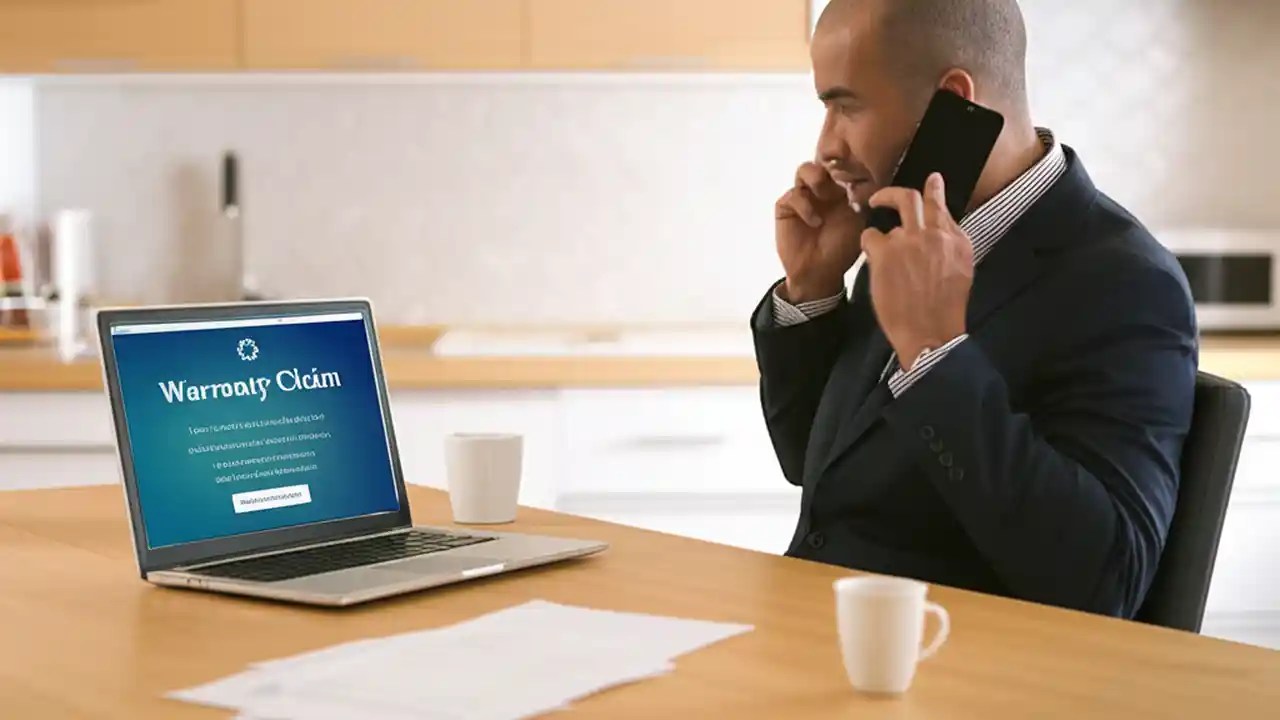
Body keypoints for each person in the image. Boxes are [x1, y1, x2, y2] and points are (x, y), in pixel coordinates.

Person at [752, 0, 1198, 619]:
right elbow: (817, 467)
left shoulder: (1127, 284)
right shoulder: (910, 234)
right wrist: (813, 288)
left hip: (959, 679)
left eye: (846, 105)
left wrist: (935, 353)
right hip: (831, 641)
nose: (827, 146)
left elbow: (1103, 584)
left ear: (953, 99)